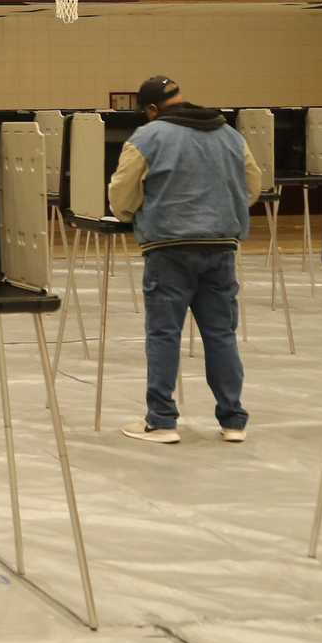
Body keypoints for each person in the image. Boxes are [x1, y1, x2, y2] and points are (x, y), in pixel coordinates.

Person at [108, 74, 264, 445]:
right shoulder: (230, 135)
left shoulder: (147, 137)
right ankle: (233, 421)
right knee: (221, 334)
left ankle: (161, 421)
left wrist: (133, 216)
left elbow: (122, 196)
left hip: (169, 249)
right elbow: (252, 187)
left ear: (150, 108)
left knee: (164, 334)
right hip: (222, 246)